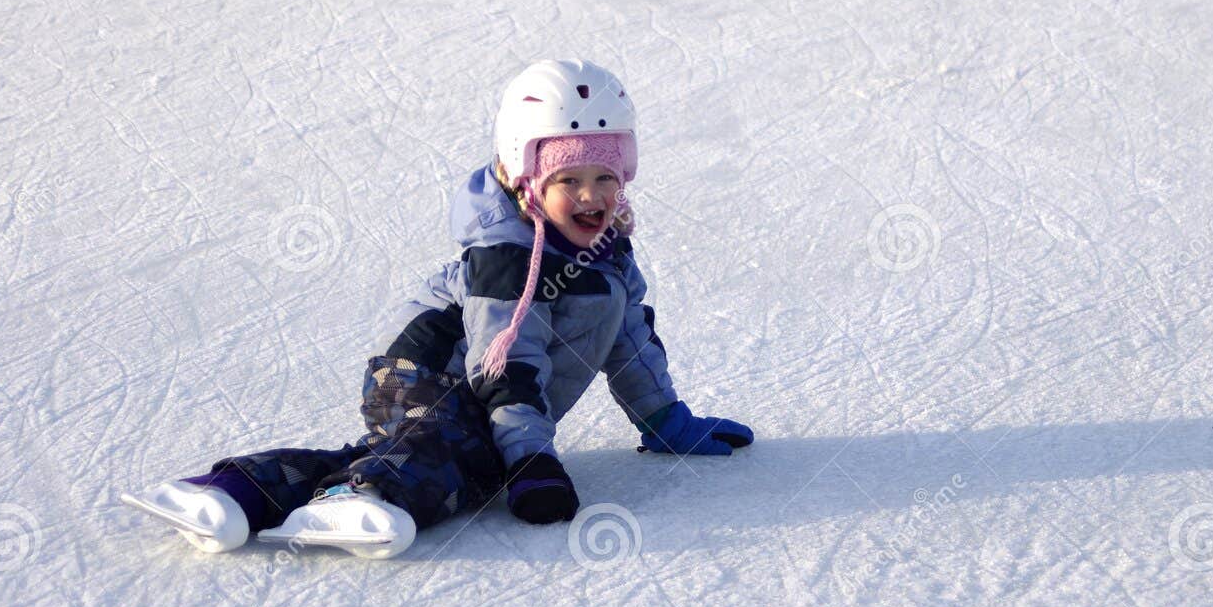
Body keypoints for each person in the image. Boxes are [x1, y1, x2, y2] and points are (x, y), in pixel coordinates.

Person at [121, 59, 753, 558]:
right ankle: (364, 494)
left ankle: (239, 489)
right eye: (567, 180)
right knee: (444, 460)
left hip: (489, 397)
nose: (591, 196)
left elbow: (628, 337)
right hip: (427, 375)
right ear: (525, 179)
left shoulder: (610, 252)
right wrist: (533, 459)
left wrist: (665, 419)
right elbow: (506, 362)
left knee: (457, 460)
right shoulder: (507, 257)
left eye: (606, 177)